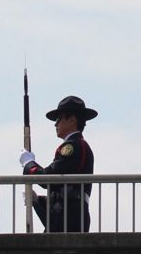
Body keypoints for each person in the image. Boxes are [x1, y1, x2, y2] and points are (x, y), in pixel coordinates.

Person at [19, 96, 96, 233]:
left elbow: (49, 178)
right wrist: (36, 200)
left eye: (58, 119)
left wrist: (29, 164)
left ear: (72, 120)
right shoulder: (77, 145)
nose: (56, 124)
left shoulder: (72, 146)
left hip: (70, 219)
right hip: (66, 217)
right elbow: (61, 192)